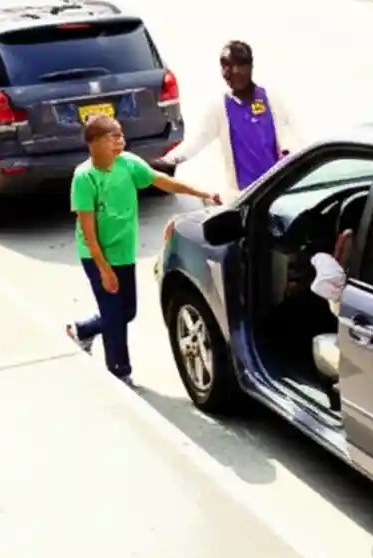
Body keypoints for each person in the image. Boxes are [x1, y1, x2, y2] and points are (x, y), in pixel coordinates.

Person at [66, 114, 222, 384]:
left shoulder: (128, 164)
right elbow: (88, 233)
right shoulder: (84, 177)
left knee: (127, 312)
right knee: (114, 315)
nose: (120, 140)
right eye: (112, 136)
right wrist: (104, 270)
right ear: (94, 143)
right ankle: (119, 371)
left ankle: (84, 330)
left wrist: (201, 193)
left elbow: (162, 181)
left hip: (124, 253)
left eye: (121, 134)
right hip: (97, 255)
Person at [157, 40, 299, 194]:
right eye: (227, 66)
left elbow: (290, 135)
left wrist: (290, 156)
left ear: (250, 66)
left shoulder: (271, 99)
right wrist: (169, 160)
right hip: (244, 195)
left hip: (276, 190)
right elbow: (198, 140)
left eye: (239, 65)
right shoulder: (220, 107)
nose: (233, 72)